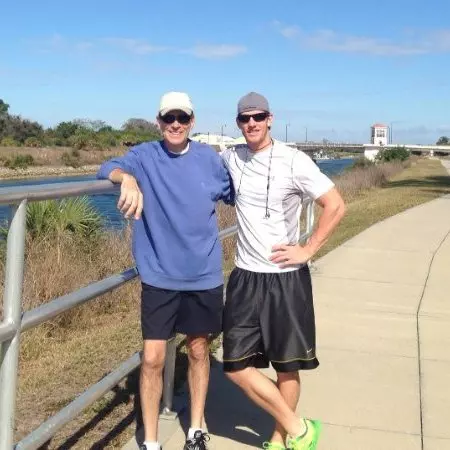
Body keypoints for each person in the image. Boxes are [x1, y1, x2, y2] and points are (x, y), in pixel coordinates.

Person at [97, 92, 234, 450]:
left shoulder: (210, 159)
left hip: (203, 274)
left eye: (183, 118)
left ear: (192, 122)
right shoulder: (144, 156)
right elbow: (106, 166)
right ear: (159, 121)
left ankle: (195, 429)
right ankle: (152, 442)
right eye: (169, 118)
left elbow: (237, 193)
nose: (176, 124)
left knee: (200, 350)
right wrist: (125, 178)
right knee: (154, 359)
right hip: (159, 277)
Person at [220, 92, 345, 450]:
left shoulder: (294, 160)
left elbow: (335, 205)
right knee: (235, 366)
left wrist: (307, 249)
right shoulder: (231, 157)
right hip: (245, 276)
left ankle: (279, 438)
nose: (252, 124)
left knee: (286, 365)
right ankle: (299, 427)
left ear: (270, 118)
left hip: (285, 279)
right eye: (245, 119)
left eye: (258, 116)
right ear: (238, 123)